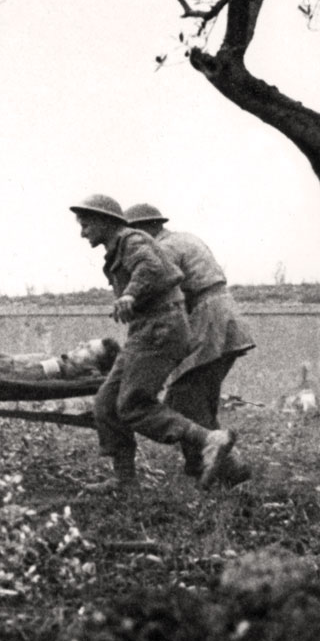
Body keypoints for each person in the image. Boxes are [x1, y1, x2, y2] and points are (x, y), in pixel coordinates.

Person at [69, 194, 247, 491]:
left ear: (105, 221)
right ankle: (125, 480)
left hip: (159, 329)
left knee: (135, 405)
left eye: (86, 223)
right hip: (145, 330)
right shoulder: (125, 247)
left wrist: (130, 294)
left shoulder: (132, 240)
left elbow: (151, 268)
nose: (82, 232)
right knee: (106, 403)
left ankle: (212, 446)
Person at [125, 202, 256, 481]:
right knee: (196, 398)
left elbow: (163, 296)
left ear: (144, 229)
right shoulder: (184, 239)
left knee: (183, 400)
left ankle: (223, 467)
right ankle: (222, 467)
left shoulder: (162, 249)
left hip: (206, 316)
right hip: (221, 313)